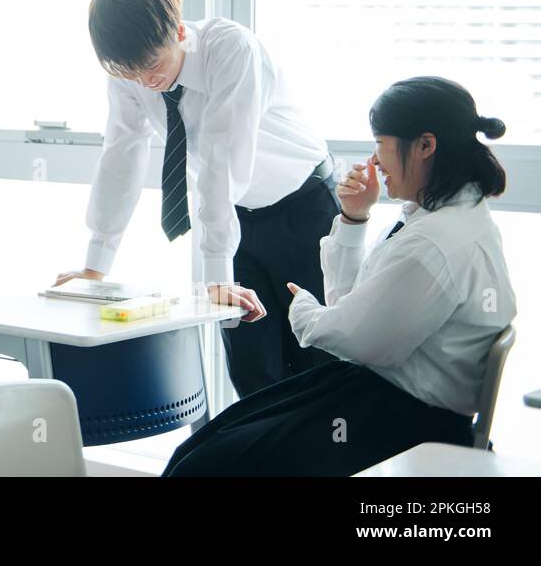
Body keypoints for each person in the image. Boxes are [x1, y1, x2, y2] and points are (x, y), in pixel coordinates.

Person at [164, 77, 516, 476]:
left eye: (381, 143)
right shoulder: (445, 217)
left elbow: (353, 339)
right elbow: (352, 305)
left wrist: (302, 309)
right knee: (205, 446)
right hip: (379, 394)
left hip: (399, 416)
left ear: (424, 146)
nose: (376, 159)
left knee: (206, 465)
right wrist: (353, 216)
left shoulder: (434, 244)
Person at [54, 0, 337, 396]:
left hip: (304, 208)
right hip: (235, 218)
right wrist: (96, 265)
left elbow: (222, 162)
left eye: (152, 66)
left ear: (180, 33)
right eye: (130, 73)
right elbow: (122, 156)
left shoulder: (231, 49)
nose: (145, 82)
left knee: (320, 360)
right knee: (252, 370)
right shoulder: (128, 73)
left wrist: (216, 272)